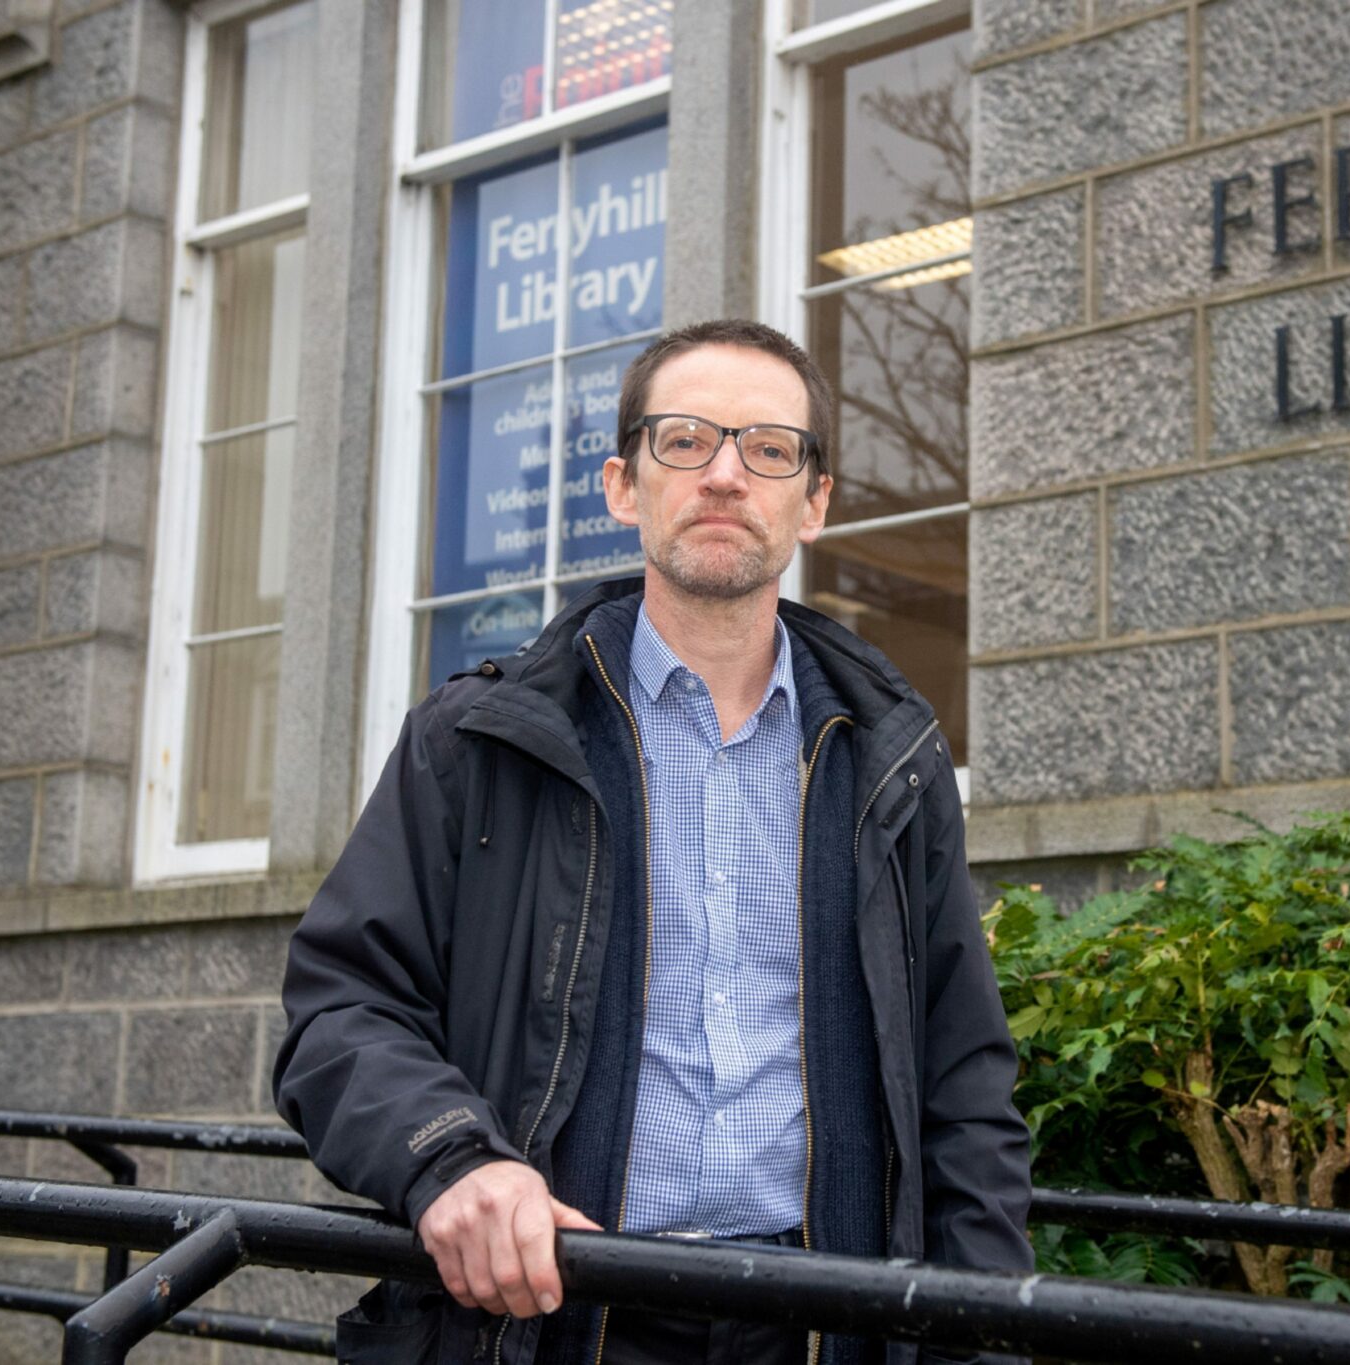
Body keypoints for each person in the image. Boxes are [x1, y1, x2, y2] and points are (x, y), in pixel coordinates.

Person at [273, 319, 1032, 1365]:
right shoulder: (475, 743)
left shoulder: (888, 760)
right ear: (623, 486)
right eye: (684, 441)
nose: (725, 474)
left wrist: (977, 1338)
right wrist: (451, 1161)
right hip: (558, 1320)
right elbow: (340, 1009)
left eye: (768, 448)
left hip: (823, 1326)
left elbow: (963, 1087)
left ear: (812, 503)